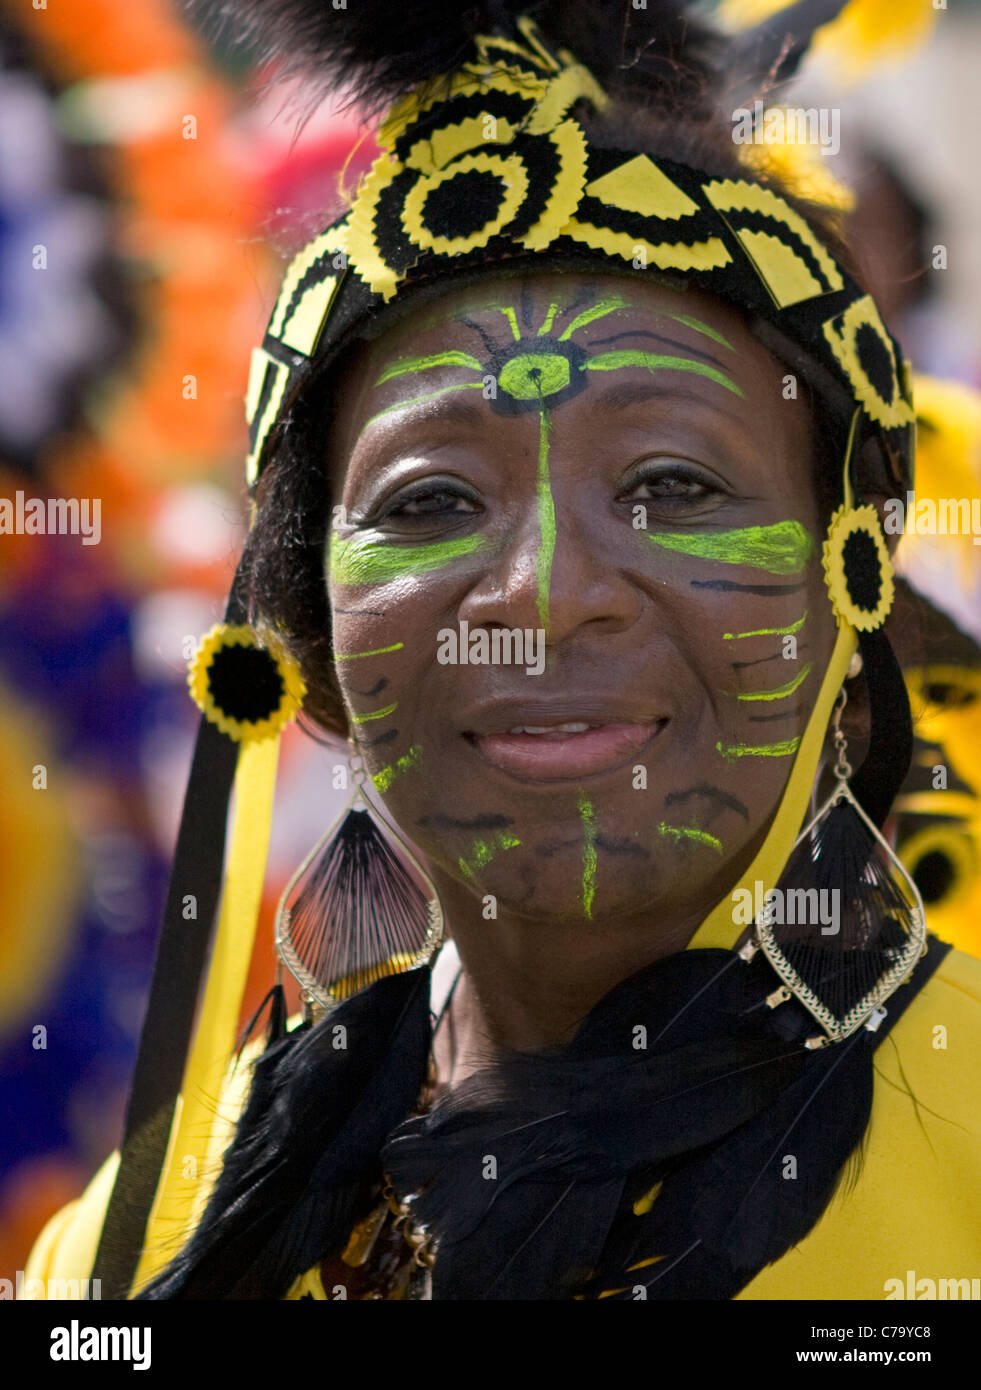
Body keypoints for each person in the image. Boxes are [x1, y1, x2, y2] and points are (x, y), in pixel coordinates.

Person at [25, 0, 981, 1302]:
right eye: (429, 501)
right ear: (305, 627)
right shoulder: (137, 1238)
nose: (546, 595)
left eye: (670, 484)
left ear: (848, 571)